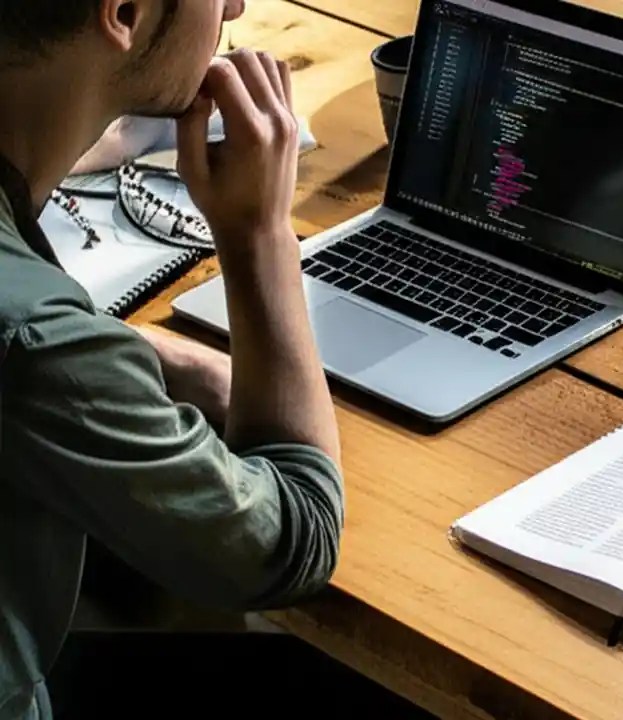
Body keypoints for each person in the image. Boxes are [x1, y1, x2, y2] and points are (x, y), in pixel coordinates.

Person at [0, 1, 423, 717]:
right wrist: (259, 232)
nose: (235, 8)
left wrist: (154, 358)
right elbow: (293, 538)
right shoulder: (36, 347)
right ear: (125, 12)